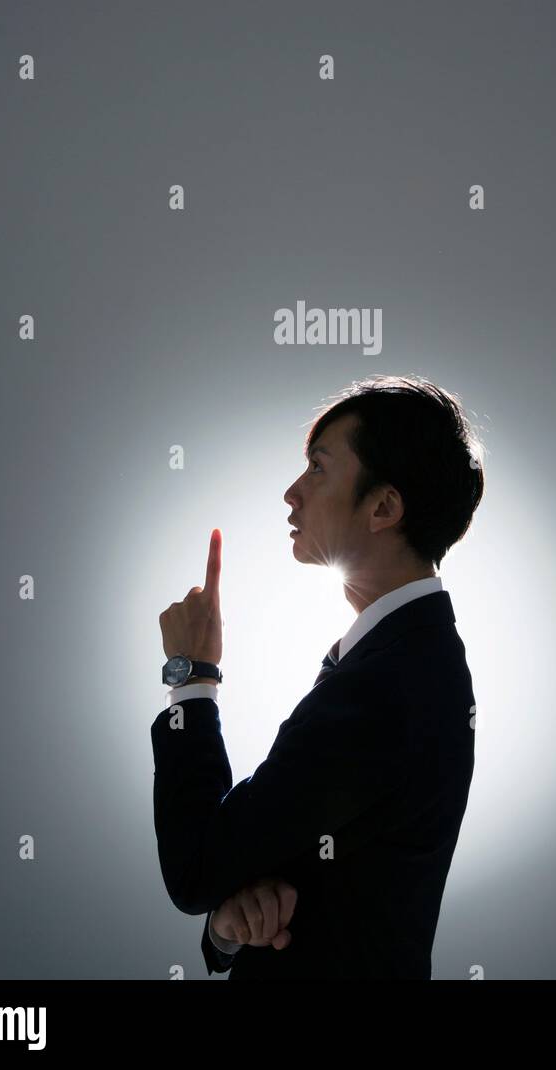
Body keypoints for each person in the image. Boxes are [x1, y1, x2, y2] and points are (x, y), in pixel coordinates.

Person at [151, 374, 485, 979]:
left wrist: (192, 677)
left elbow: (196, 866)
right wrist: (229, 927)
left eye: (318, 469)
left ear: (384, 506)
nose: (291, 493)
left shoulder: (387, 686)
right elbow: (272, 884)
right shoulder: (404, 663)